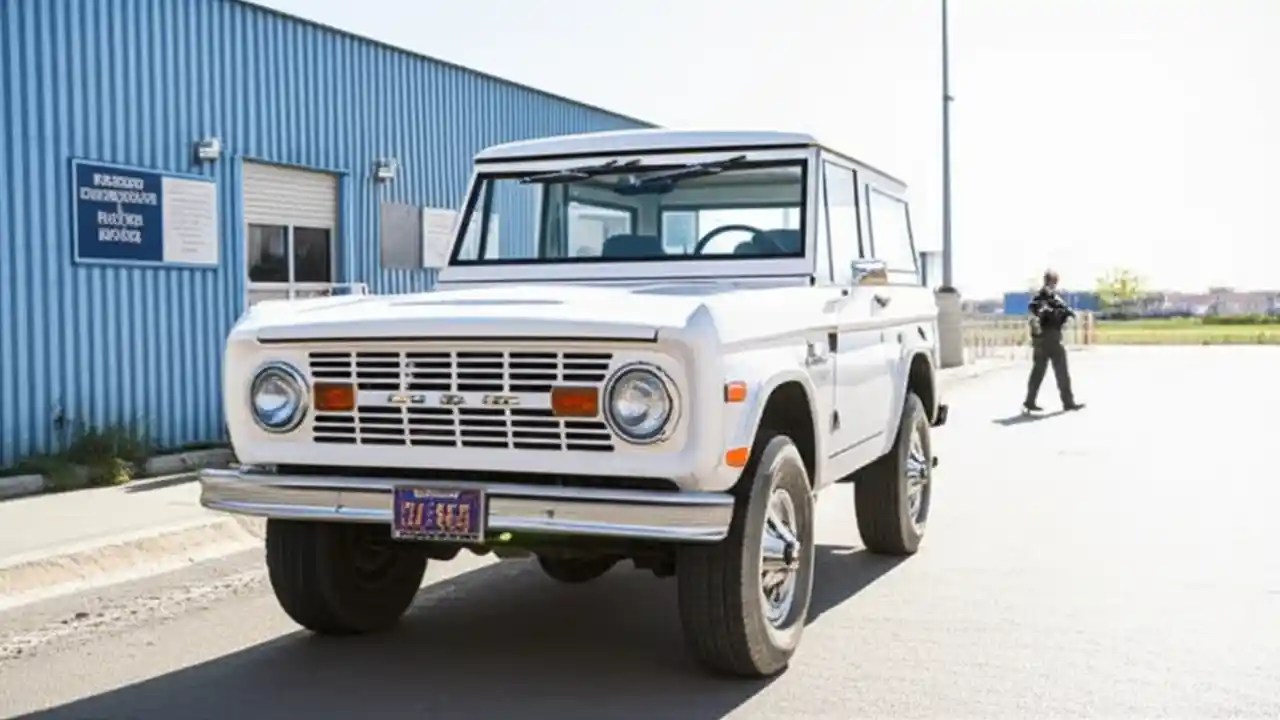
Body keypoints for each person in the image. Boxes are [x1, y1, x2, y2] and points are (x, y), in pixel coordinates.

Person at [1024, 270, 1085, 412]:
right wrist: (1054, 312)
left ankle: (1033, 401)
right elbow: (1038, 314)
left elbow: (1065, 311)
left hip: (1050, 338)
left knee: (1051, 371)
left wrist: (1066, 313)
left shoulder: (1054, 298)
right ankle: (1064, 402)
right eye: (1052, 282)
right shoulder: (1039, 299)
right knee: (1048, 371)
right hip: (1045, 338)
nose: (1053, 285)